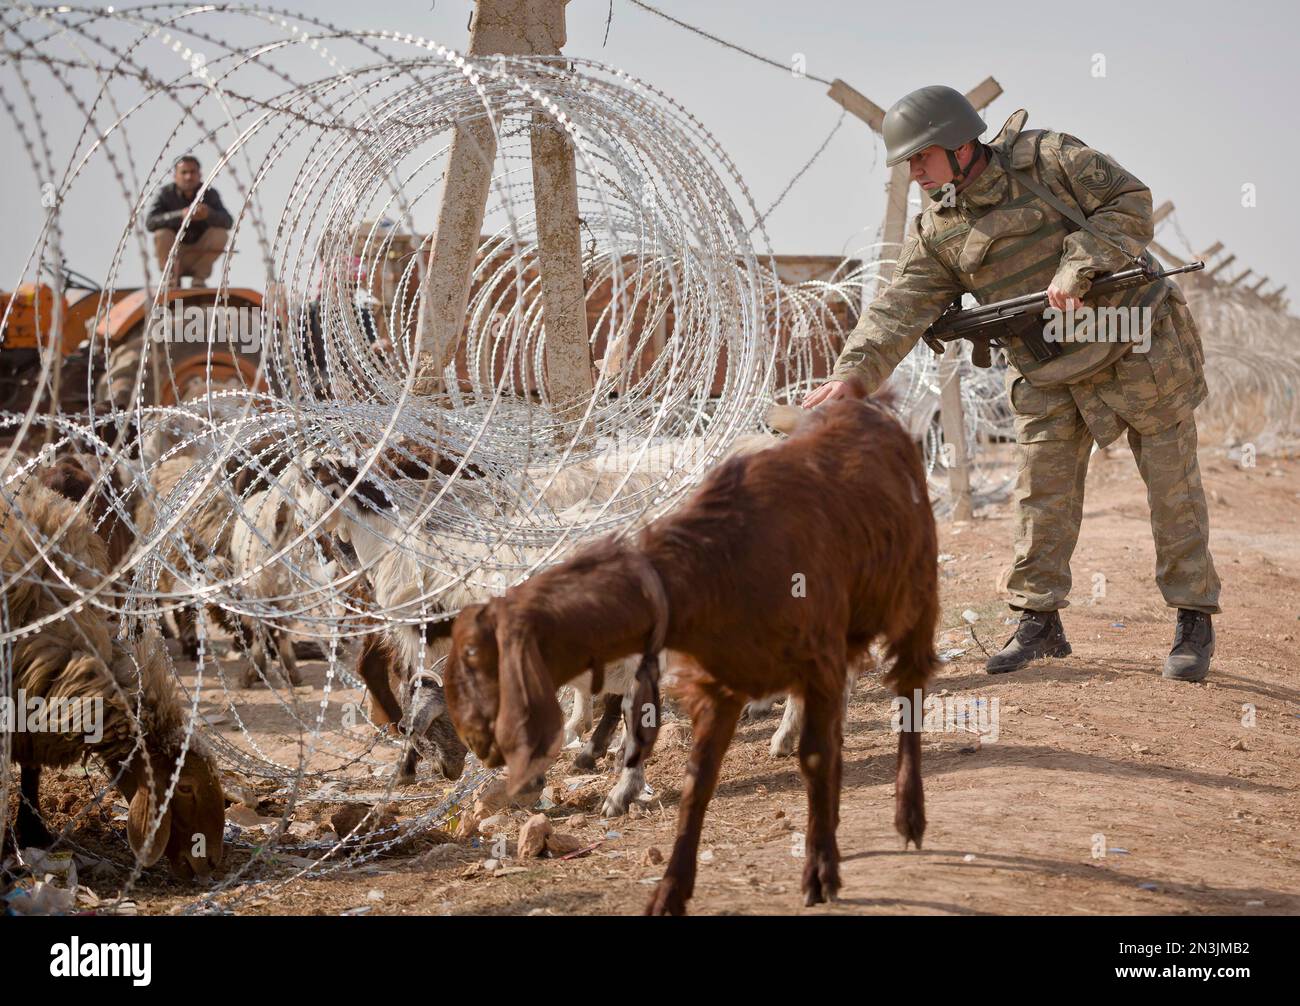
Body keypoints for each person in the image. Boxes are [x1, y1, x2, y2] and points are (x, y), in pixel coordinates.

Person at [804, 86, 1220, 682]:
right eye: (909, 162)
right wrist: (853, 376)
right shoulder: (937, 230)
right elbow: (898, 308)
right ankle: (1039, 620)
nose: (914, 171)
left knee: (1171, 487)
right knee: (1041, 495)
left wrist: (1078, 267)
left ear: (958, 142)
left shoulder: (1048, 160)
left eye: (921, 157)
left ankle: (1192, 617)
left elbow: (1131, 202)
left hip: (1136, 344)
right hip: (1048, 367)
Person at [145, 155, 232, 286]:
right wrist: (181, 215)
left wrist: (208, 214)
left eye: (192, 172)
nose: (188, 177)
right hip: (174, 253)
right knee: (162, 234)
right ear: (175, 176)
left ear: (199, 174)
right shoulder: (165, 194)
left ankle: (199, 279)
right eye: (184, 172)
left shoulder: (209, 193)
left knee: (220, 235)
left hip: (198, 253)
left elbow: (228, 222)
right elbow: (151, 222)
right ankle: (171, 278)